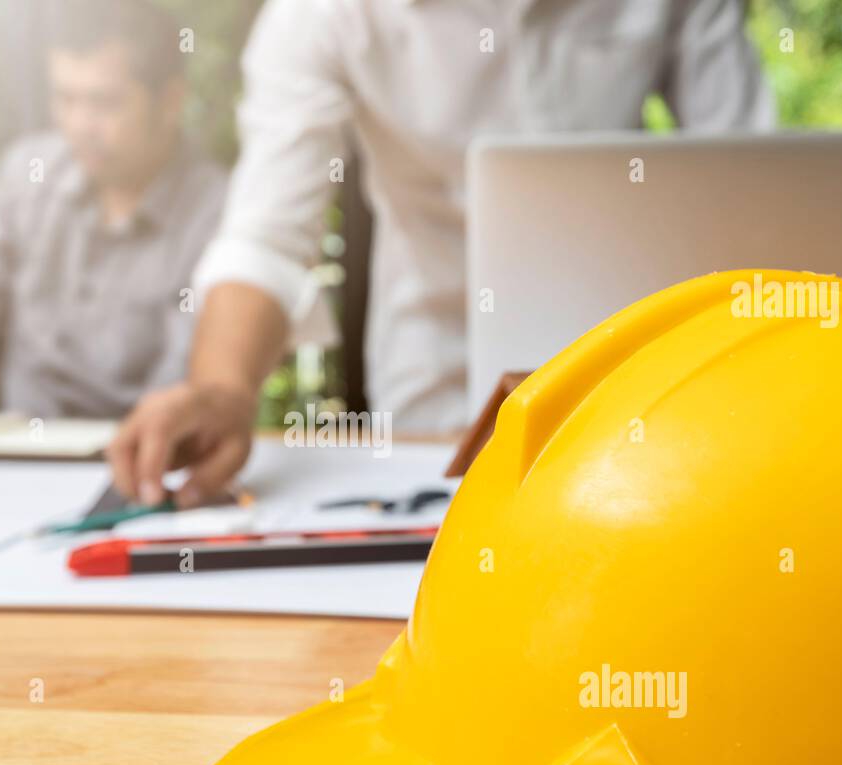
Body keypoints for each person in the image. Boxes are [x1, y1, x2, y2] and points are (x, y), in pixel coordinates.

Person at [107, 0, 775, 508]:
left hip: (643, 378)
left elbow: (756, 187)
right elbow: (268, 237)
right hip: (436, 386)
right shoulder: (324, 16)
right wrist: (223, 388)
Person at [0, 0, 226, 419]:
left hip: (142, 459)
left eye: (104, 103)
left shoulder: (218, 208)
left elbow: (187, 382)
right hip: (17, 457)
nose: (79, 125)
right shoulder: (24, 176)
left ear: (170, 101)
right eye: (65, 98)